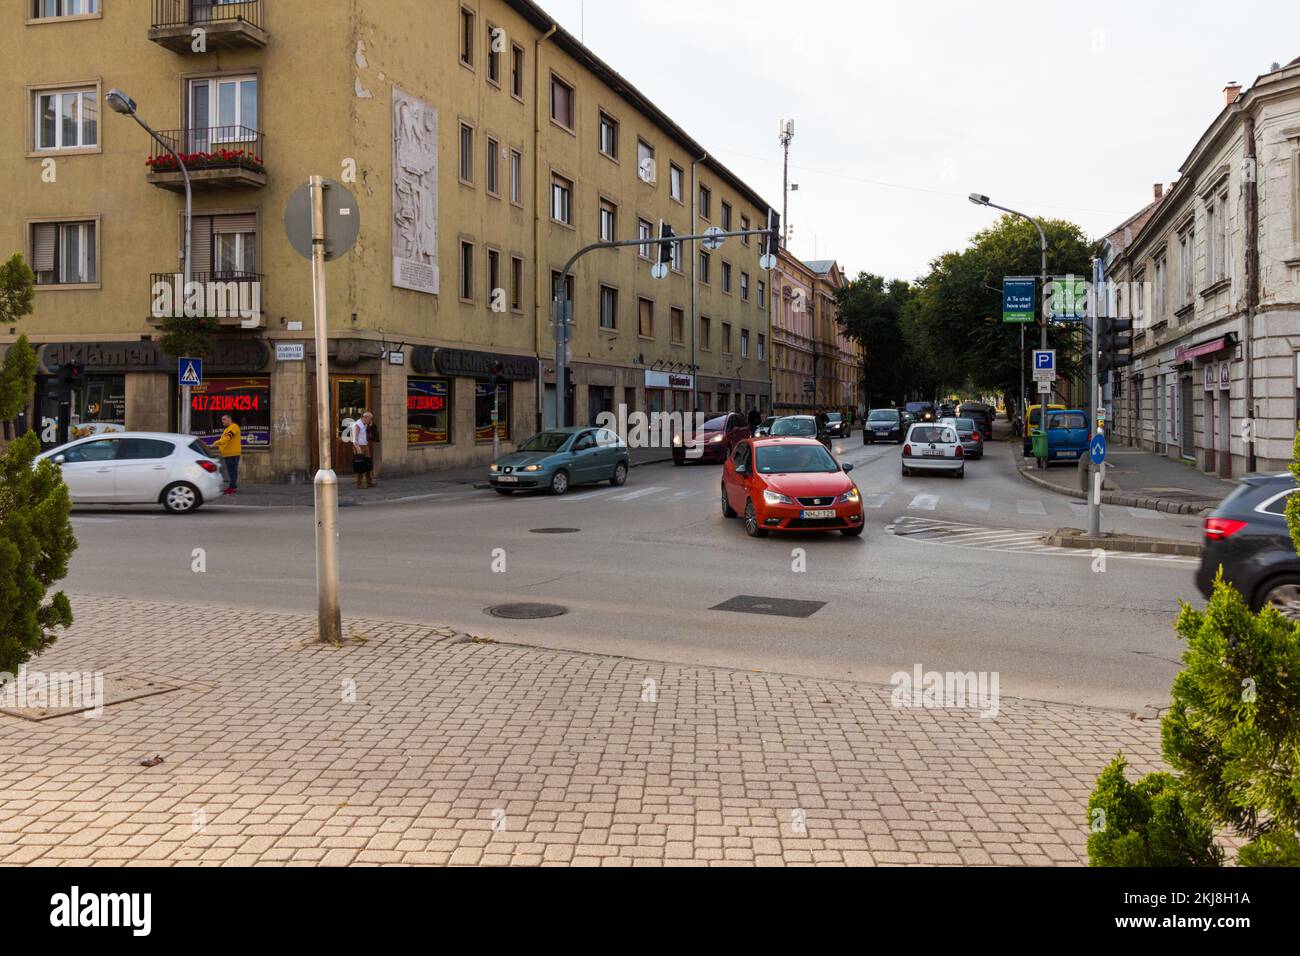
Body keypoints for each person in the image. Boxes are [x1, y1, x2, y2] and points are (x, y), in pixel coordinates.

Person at [213, 414, 242, 495]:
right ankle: (232, 487)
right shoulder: (227, 429)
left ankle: (232, 488)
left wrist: (216, 443)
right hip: (228, 454)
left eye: (224, 419)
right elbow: (223, 440)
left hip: (232, 454)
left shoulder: (234, 427)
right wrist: (215, 444)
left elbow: (228, 438)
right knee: (231, 471)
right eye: (222, 419)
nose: (222, 421)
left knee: (232, 472)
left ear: (229, 419)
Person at [353, 411, 378, 489]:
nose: (370, 420)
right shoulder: (357, 425)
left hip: (365, 445)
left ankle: (369, 482)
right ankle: (359, 484)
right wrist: (358, 449)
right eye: (370, 419)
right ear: (365, 417)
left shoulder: (364, 424)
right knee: (360, 465)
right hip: (359, 446)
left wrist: (369, 425)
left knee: (368, 464)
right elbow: (355, 439)